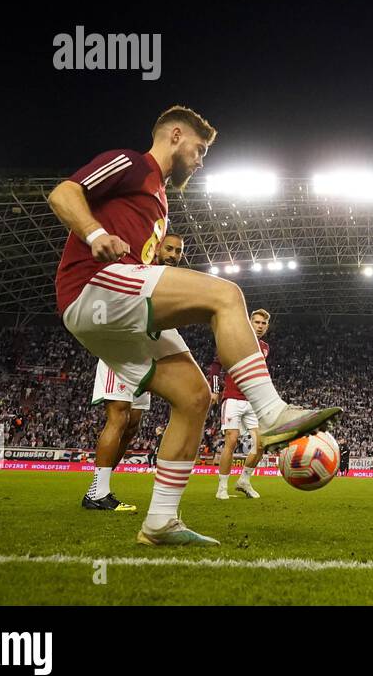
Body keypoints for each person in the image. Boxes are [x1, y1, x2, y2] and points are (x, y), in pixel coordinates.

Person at [48, 105, 341, 546]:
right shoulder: (132, 163)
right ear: (176, 135)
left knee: (194, 396)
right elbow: (63, 193)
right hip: (92, 285)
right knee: (226, 296)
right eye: (200, 149)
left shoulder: (160, 199)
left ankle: (160, 523)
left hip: (111, 310)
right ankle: (273, 414)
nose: (201, 160)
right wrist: (94, 235)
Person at [82, 232, 185, 512]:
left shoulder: (168, 281)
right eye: (170, 248)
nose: (174, 255)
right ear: (157, 247)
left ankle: (99, 488)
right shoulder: (142, 269)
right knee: (118, 417)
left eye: (179, 251)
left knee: (133, 425)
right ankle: (97, 493)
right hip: (119, 352)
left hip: (142, 358)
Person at [206, 309, 274, 500]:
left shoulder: (265, 347)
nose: (260, 326)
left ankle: (244, 480)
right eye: (257, 322)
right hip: (233, 398)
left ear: (267, 327)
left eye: (263, 323)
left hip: (253, 401)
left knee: (260, 444)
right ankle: (222, 487)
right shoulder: (233, 339)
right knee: (232, 440)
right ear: (249, 322)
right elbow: (216, 365)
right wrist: (216, 389)